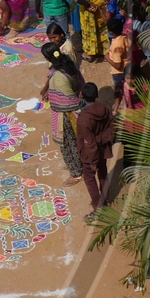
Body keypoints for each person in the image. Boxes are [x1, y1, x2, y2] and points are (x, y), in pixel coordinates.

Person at [41, 41, 86, 180]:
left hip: (66, 115)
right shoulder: (67, 64)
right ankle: (78, 164)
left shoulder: (59, 75)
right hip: (70, 111)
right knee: (75, 141)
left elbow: (66, 100)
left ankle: (76, 172)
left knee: (67, 143)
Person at [75, 82, 116, 211]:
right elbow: (113, 127)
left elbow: (90, 143)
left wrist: (93, 161)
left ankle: (98, 206)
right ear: (97, 94)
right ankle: (106, 200)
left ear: (81, 95)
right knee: (103, 173)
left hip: (89, 154)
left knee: (89, 179)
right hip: (103, 149)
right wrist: (102, 139)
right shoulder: (105, 109)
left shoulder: (84, 119)